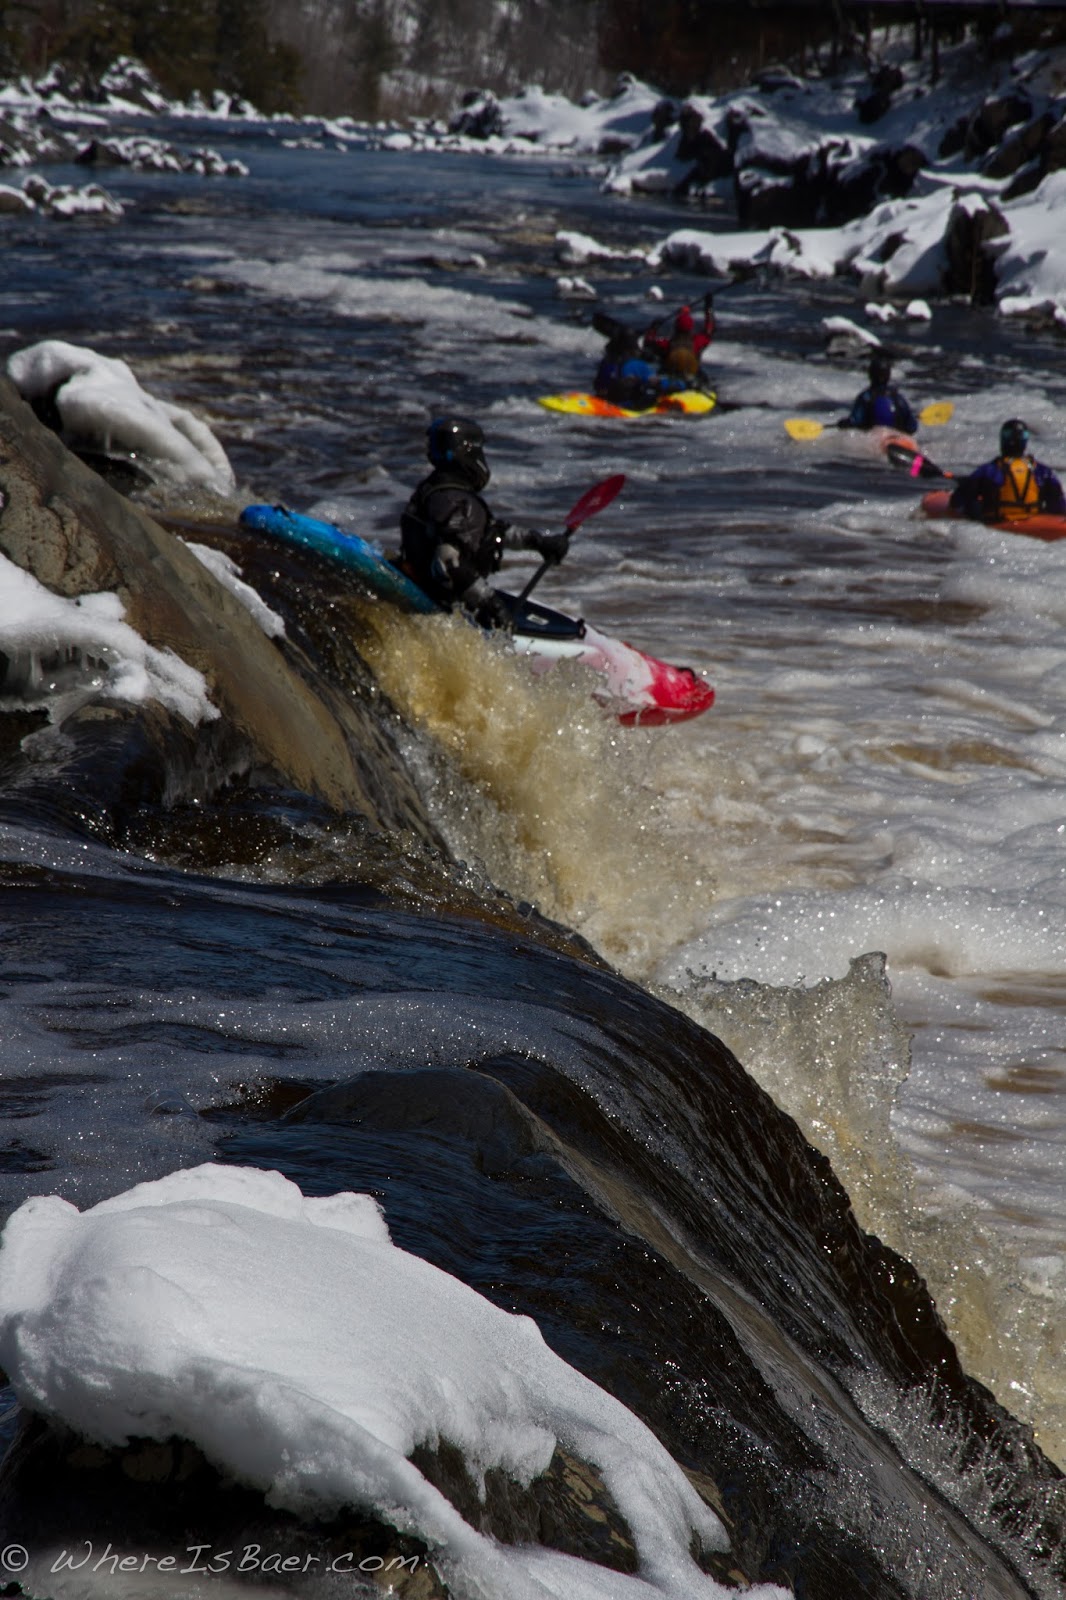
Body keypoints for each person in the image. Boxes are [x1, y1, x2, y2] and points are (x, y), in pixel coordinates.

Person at [399, 417, 569, 628]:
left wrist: (539, 542)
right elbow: (450, 563)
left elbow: (491, 532)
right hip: (438, 610)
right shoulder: (453, 499)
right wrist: (492, 604)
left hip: (427, 596)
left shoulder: (438, 491)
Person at [949, 419, 1066, 524]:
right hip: (1033, 523)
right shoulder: (1042, 471)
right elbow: (1058, 506)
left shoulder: (989, 470)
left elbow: (957, 501)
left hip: (998, 523)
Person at [643, 297, 715, 388]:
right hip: (692, 378)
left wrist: (653, 329)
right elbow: (709, 331)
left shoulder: (667, 344)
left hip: (669, 378)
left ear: (676, 328)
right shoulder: (697, 342)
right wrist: (709, 309)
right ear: (691, 328)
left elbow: (649, 343)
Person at [837, 353, 918, 433]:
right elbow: (912, 427)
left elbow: (855, 421)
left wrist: (844, 423)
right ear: (888, 375)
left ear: (871, 375)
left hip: (874, 439)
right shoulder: (898, 398)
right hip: (896, 438)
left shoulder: (866, 397)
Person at [593, 328, 664, 412]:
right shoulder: (638, 364)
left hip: (604, 401)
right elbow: (656, 382)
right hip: (628, 406)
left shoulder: (605, 362)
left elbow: (598, 385)